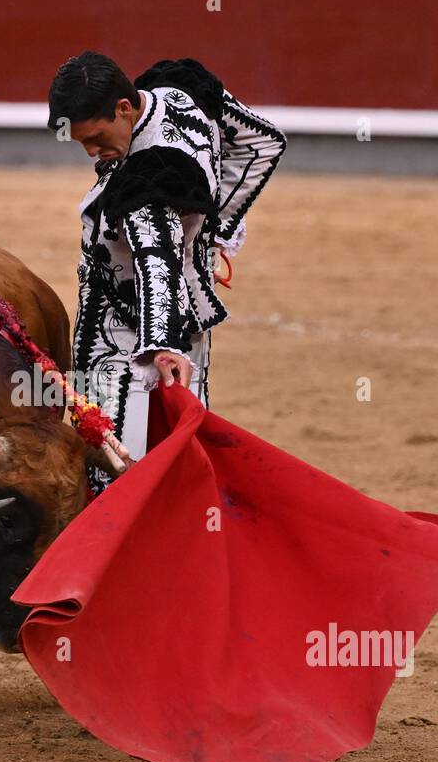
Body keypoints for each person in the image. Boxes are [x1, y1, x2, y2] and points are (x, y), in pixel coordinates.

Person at [47, 51, 287, 494]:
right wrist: (213, 226)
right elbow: (262, 142)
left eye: (97, 138)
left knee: (110, 466)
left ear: (124, 108)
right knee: (184, 449)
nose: (92, 153)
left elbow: (155, 261)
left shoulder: (149, 181)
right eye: (82, 143)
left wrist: (160, 343)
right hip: (192, 308)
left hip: (124, 321)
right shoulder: (177, 94)